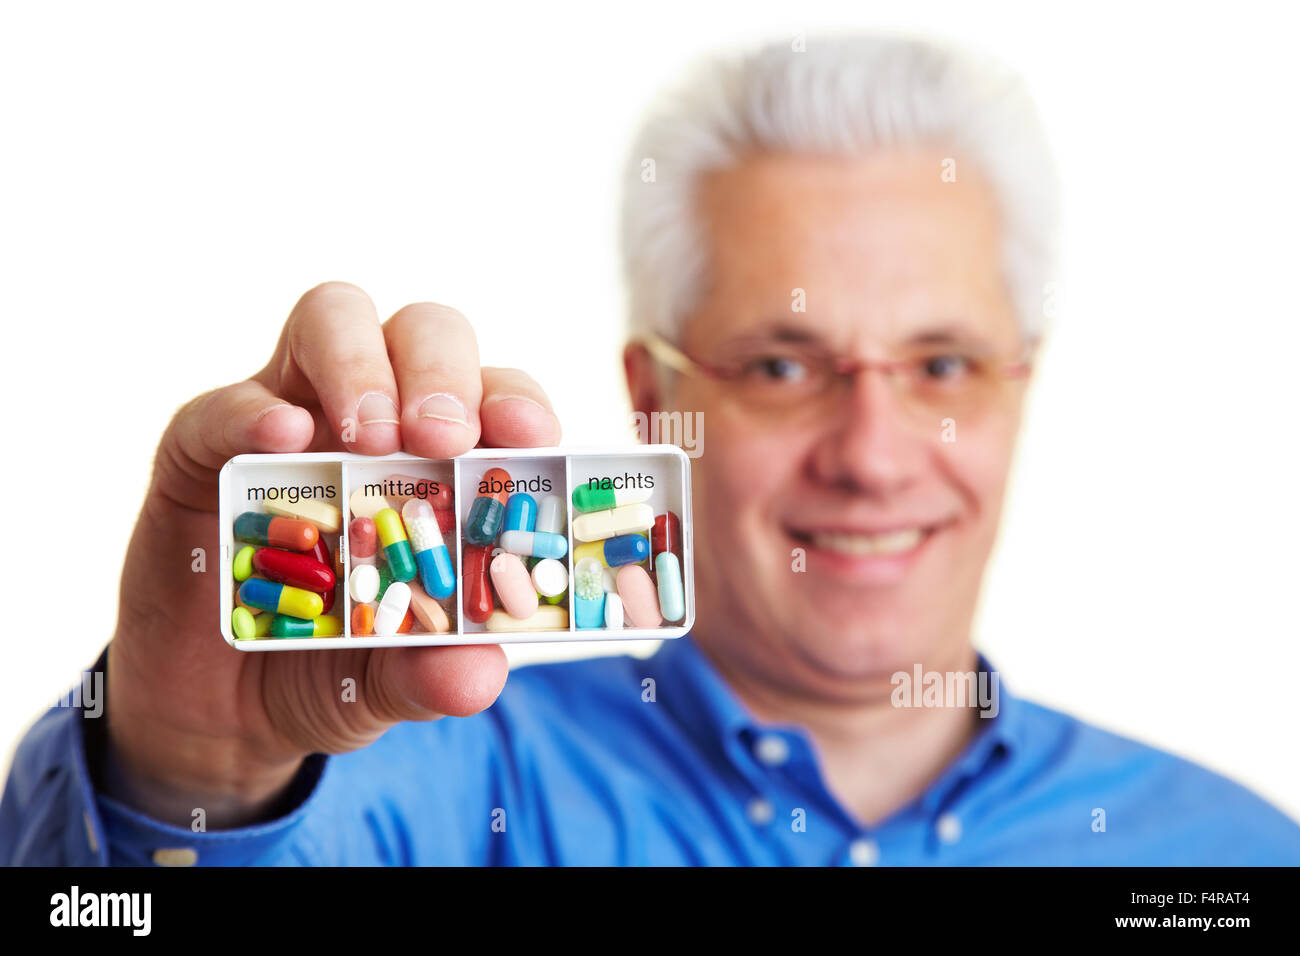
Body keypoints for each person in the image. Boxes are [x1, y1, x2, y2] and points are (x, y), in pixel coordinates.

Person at [3, 33, 1297, 866]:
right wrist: (188, 769)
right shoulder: (407, 790)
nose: (874, 451)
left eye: (941, 364)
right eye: (784, 367)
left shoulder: (1223, 861)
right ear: (655, 398)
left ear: (1020, 388)